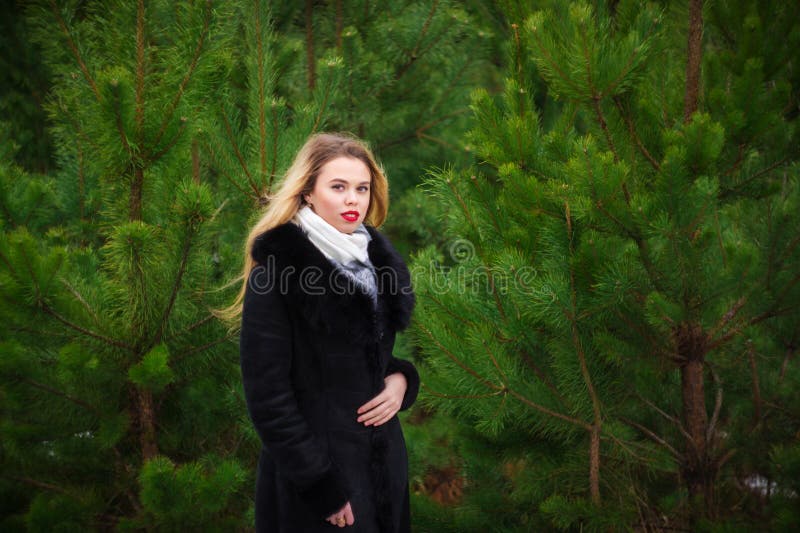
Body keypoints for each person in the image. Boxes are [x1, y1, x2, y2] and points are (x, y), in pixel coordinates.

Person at [230, 133, 418, 532]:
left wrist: (402, 379)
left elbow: (359, 358)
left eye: (362, 188)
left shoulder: (374, 265)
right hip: (321, 485)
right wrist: (321, 487)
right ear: (308, 194)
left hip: (384, 472)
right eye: (338, 187)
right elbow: (268, 397)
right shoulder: (277, 274)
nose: (354, 200)